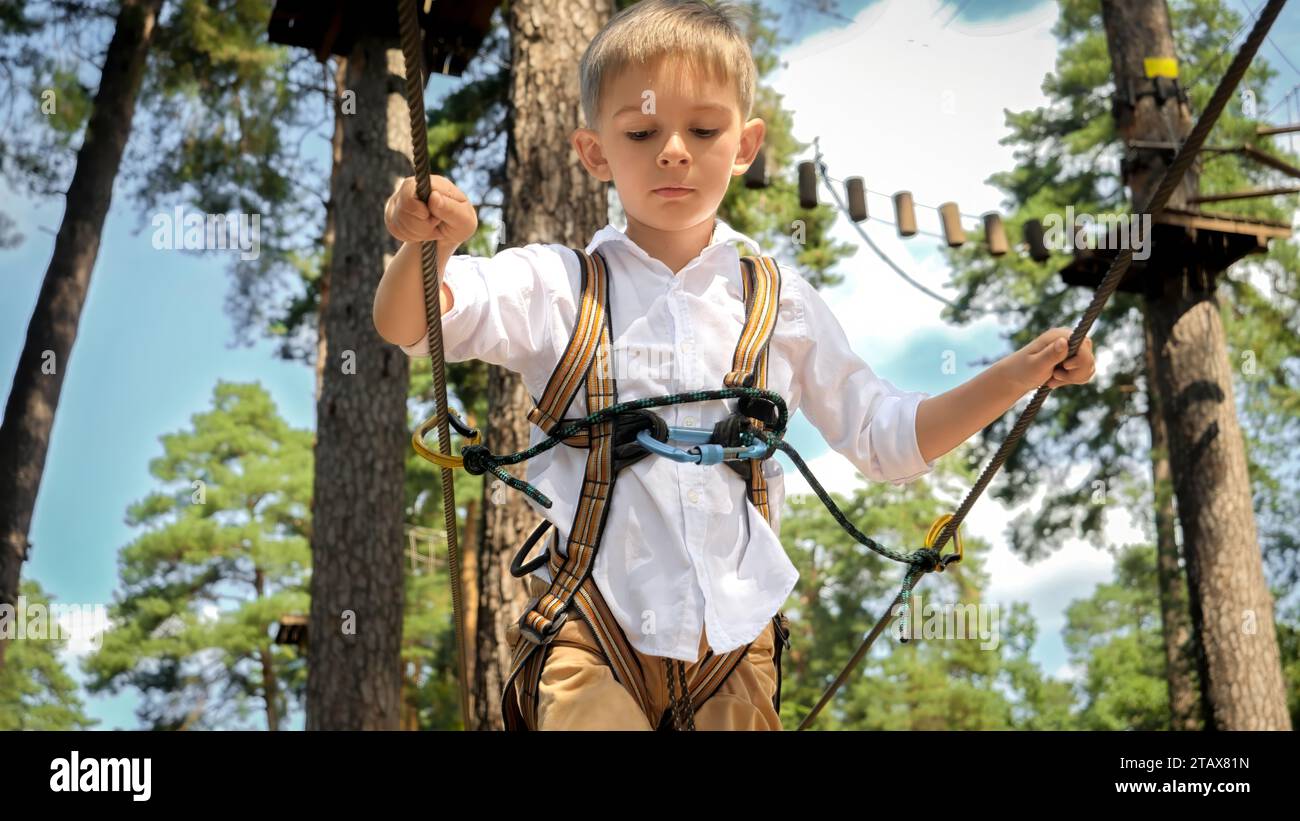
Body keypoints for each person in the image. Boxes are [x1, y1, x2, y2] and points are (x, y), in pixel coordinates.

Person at [372, 0, 1096, 731]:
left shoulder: (780, 302)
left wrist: (1015, 375)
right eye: (642, 131)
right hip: (590, 632)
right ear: (594, 152)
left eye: (704, 129)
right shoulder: (557, 286)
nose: (675, 150)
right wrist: (425, 247)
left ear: (746, 143)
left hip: (735, 646)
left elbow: (887, 438)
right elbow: (411, 323)